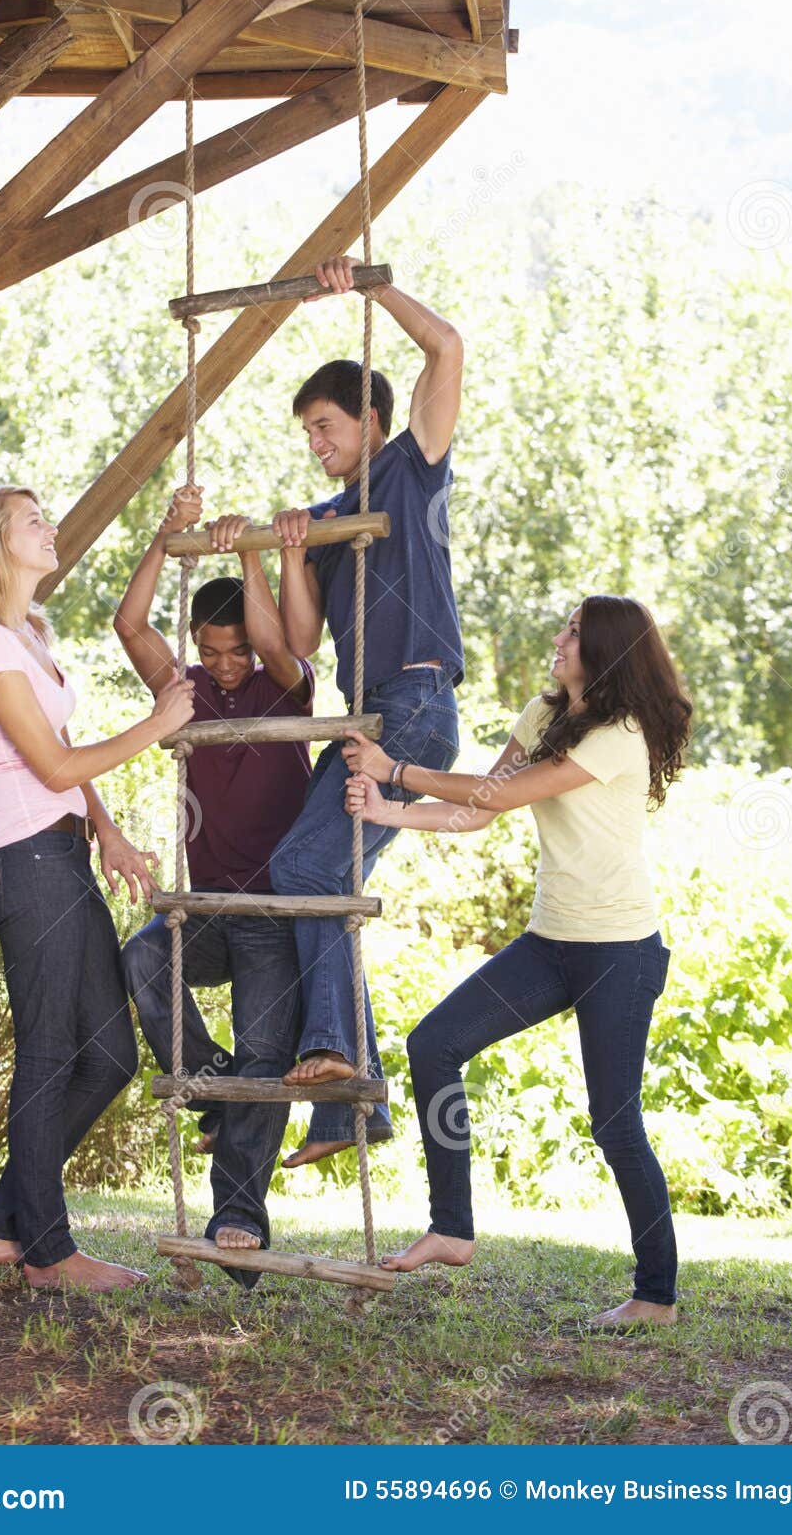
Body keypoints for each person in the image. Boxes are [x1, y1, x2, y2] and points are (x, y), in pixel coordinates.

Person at [345, 595, 692, 1328]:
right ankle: (452, 1228)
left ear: (604, 651)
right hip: (550, 942)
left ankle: (654, 1296)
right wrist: (386, 811)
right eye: (562, 625)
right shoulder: (541, 716)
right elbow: (477, 810)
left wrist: (395, 770)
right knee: (432, 1044)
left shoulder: (619, 734)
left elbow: (504, 792)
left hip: (618, 952)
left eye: (573, 631)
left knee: (614, 1122)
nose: (559, 638)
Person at [0, 485, 194, 1293]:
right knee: (50, 1053)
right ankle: (48, 1253)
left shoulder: (28, 635)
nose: (49, 529)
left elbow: (63, 751)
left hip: (63, 857)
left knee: (110, 1055)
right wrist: (156, 724)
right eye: (33, 521)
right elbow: (47, 768)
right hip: (22, 863)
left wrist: (108, 830)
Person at [268, 254, 464, 1166]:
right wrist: (291, 554)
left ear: (370, 421)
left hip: (415, 706)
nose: (315, 441)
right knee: (305, 871)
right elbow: (303, 643)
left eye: (325, 425)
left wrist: (370, 287)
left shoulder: (410, 469)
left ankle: (340, 1072)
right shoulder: (326, 512)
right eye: (306, 430)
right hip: (364, 717)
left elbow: (447, 345)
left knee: (308, 867)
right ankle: (353, 1100)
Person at [114, 488, 320, 1274]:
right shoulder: (187, 692)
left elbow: (277, 649)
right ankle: (207, 1085)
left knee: (265, 1060)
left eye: (235, 649)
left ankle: (237, 1218)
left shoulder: (284, 686)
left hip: (270, 911)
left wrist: (249, 554)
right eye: (212, 650)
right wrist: (165, 539)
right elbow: (129, 626)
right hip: (207, 911)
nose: (227, 664)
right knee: (140, 958)